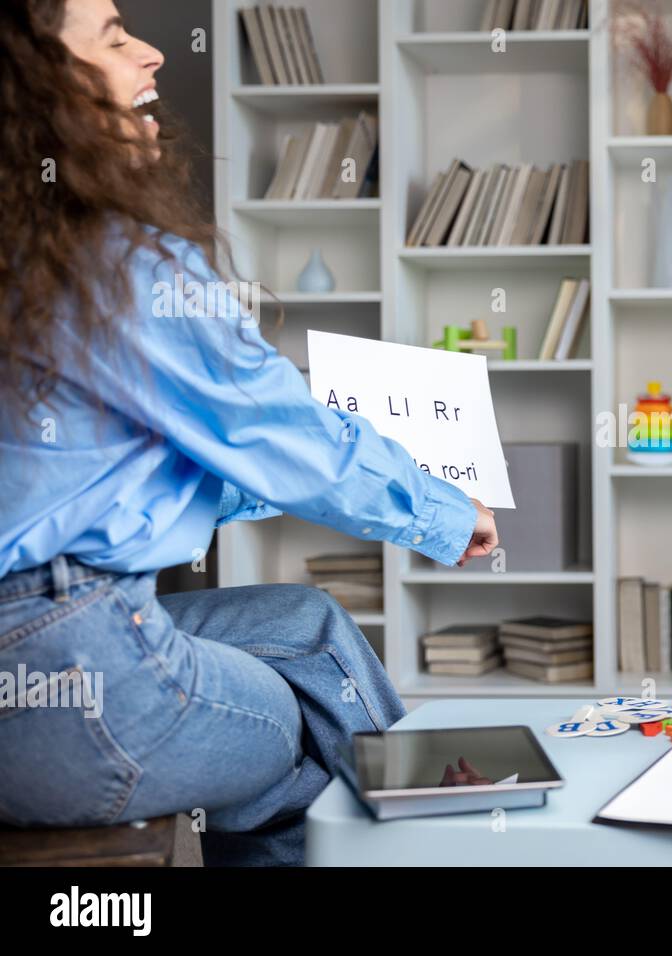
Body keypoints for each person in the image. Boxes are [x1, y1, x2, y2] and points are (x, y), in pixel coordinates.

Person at [0, 0, 498, 865]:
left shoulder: (31, 263)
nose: (153, 53)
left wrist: (378, 479)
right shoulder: (117, 263)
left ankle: (424, 831)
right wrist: (443, 513)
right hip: (71, 674)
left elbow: (149, 476)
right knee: (316, 737)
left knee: (306, 627)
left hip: (52, 643)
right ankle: (435, 846)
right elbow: (279, 432)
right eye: (115, 37)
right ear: (37, 89)